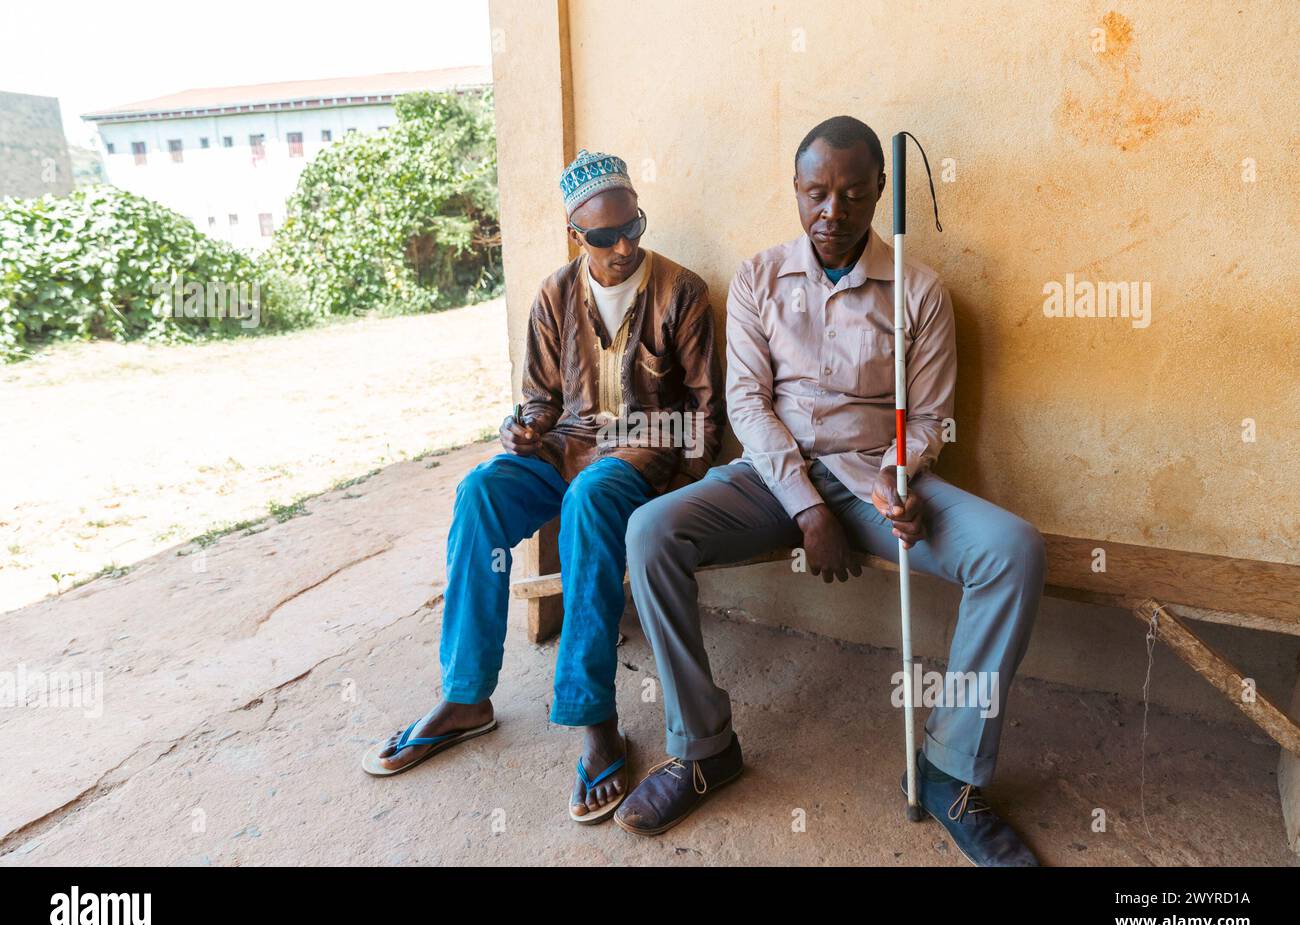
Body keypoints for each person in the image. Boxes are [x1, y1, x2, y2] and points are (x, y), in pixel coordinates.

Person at [616, 117, 1045, 865]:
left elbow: (933, 412)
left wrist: (899, 474)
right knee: (651, 531)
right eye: (817, 192)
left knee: (1013, 550)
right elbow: (747, 405)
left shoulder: (919, 288)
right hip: (769, 477)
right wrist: (807, 507)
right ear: (795, 190)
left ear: (880, 189)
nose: (833, 211)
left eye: (852, 193)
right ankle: (705, 749)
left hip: (871, 482)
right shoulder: (757, 278)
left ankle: (949, 772)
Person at [362, 149, 723, 826]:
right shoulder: (555, 295)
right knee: (480, 492)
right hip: (565, 450)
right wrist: (524, 430)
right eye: (603, 236)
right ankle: (466, 696)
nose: (622, 246)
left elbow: (704, 421)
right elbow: (540, 401)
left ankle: (595, 721)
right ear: (573, 233)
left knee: (589, 502)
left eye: (633, 227)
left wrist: (652, 461)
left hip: (644, 457)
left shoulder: (682, 292)